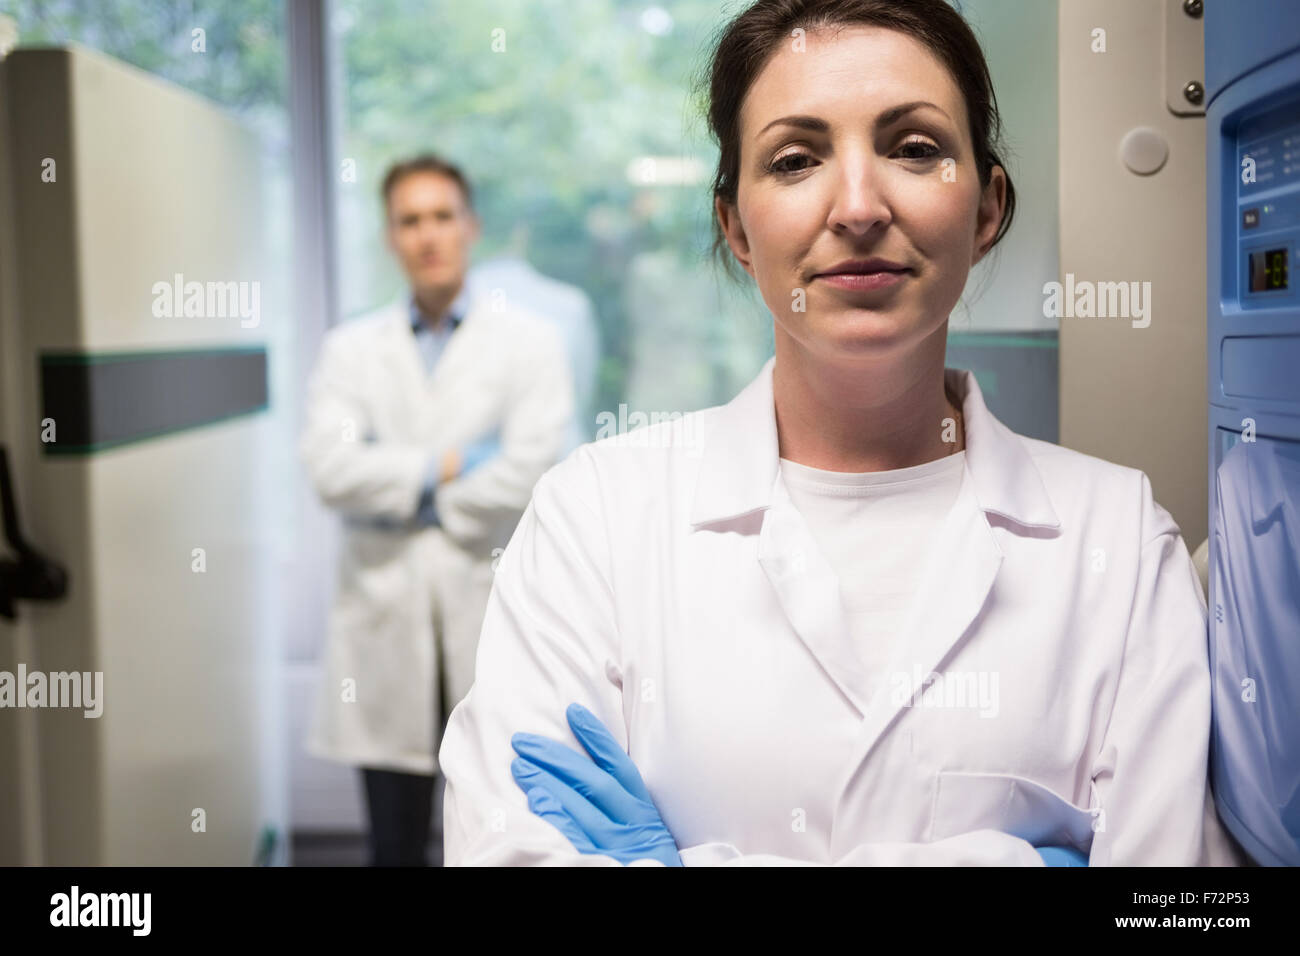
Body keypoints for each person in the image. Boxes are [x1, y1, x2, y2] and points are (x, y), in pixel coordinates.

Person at [438, 0, 1241, 866]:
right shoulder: (592, 519)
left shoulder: (1118, 538)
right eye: (795, 159)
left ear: (986, 208)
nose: (858, 207)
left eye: (915, 148)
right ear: (736, 227)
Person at [300, 154, 573, 865]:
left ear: (471, 227)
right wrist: (443, 464)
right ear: (390, 236)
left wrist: (413, 499)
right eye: (409, 221)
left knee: (501, 834)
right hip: (383, 623)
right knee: (392, 842)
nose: (428, 236)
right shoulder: (350, 351)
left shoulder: (531, 341)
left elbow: (535, 467)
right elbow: (330, 470)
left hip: (487, 614)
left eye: (442, 217)